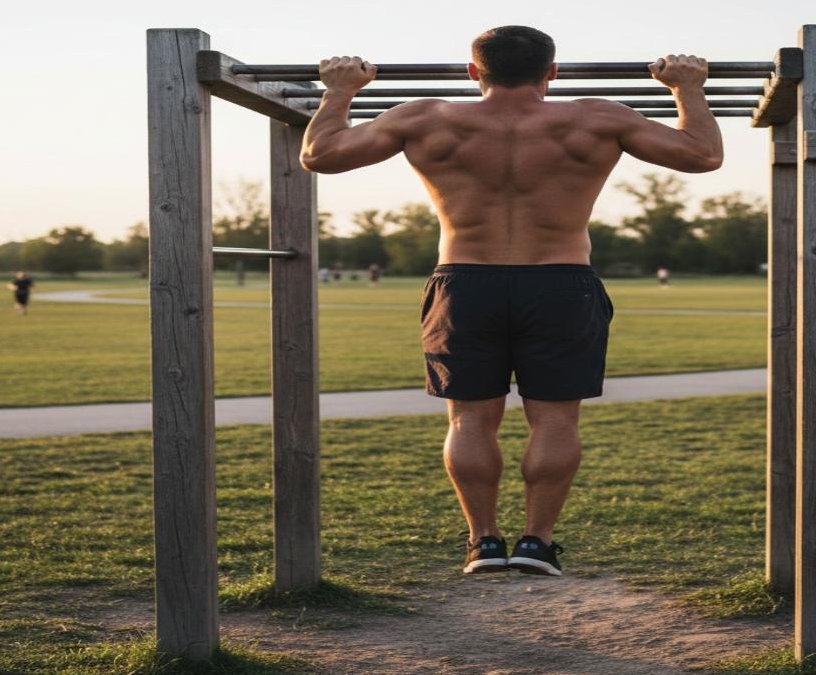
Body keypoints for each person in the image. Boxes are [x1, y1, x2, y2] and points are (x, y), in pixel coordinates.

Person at [300, 26, 722, 576]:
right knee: (555, 422)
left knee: (469, 423)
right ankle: (537, 544)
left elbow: (320, 154)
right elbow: (703, 155)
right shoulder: (597, 117)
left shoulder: (424, 116)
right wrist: (686, 88)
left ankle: (483, 543)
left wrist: (339, 91)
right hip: (560, 281)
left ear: (474, 72)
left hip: (465, 282)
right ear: (553, 72)